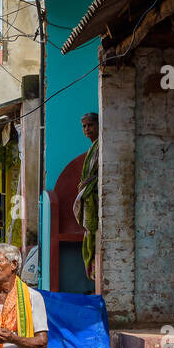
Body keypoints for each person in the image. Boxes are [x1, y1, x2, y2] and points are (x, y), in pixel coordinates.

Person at [76, 112, 99, 275]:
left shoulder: (100, 145)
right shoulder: (93, 147)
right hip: (89, 193)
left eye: (90, 125)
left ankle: (93, 269)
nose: (87, 129)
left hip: (95, 195)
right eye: (84, 126)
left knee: (92, 232)